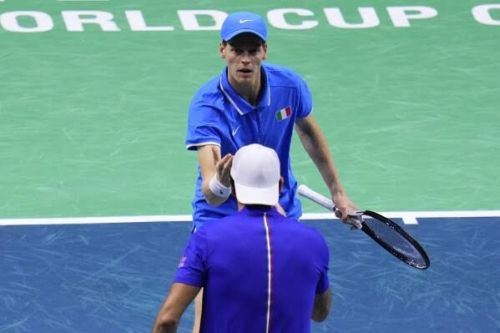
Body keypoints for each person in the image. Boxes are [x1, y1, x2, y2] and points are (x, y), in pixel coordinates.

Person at [185, 11, 358, 332]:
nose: (245, 59)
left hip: (278, 207)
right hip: (220, 217)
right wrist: (222, 183)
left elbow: (309, 133)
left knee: (292, 309)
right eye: (238, 50)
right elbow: (211, 193)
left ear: (264, 50)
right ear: (222, 50)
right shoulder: (207, 106)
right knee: (206, 319)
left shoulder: (288, 85)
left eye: (253, 50)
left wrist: (338, 191)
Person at [152, 144, 332, 333]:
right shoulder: (313, 242)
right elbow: (320, 312)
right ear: (279, 186)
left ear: (233, 187)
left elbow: (167, 320)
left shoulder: (208, 239)